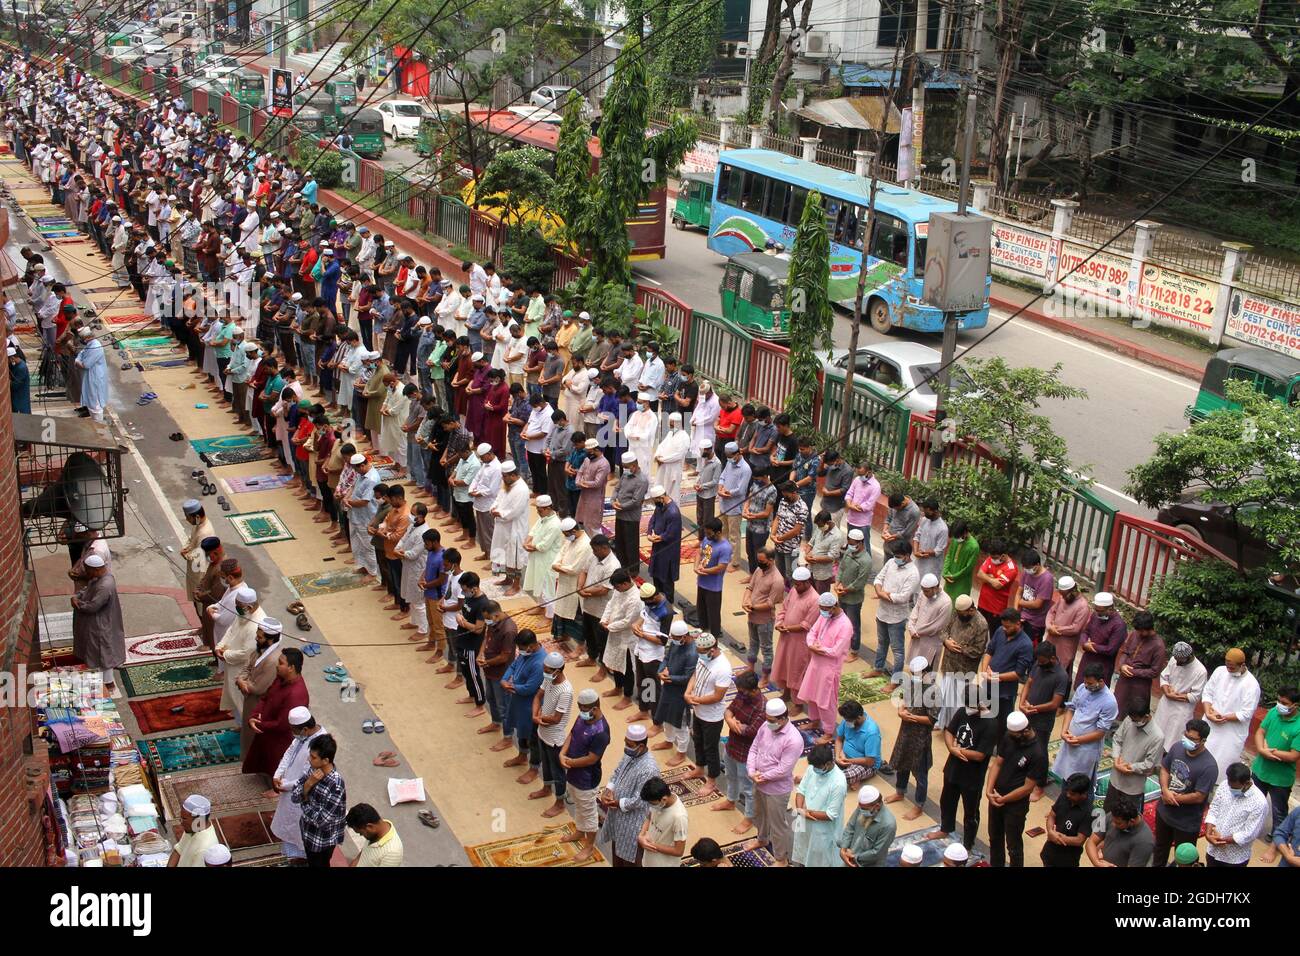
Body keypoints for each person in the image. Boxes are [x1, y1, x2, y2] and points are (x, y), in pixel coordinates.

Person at [930, 697, 998, 852]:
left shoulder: (991, 723)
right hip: (953, 768)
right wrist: (951, 748)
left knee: (971, 812)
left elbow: (980, 755)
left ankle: (968, 844)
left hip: (972, 776)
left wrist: (959, 750)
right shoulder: (962, 711)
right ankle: (945, 828)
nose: (968, 708)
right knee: (946, 801)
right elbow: (949, 731)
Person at [745, 698, 803, 866]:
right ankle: (762, 839)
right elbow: (754, 748)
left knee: (777, 826)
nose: (768, 723)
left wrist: (761, 776)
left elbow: (783, 770)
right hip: (759, 780)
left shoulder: (793, 739)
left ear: (783, 718)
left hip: (777, 789)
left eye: (771, 721)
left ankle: (781, 859)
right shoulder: (765, 726)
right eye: (767, 719)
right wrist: (751, 771)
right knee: (759, 815)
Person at [985, 711, 1047, 867]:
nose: (1010, 736)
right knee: (994, 837)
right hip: (996, 797)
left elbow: (1027, 788)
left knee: (1013, 846)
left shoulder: (1038, 753)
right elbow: (997, 763)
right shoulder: (1009, 736)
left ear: (1025, 731)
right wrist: (989, 790)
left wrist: (1003, 799)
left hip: (1015, 806)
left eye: (1014, 734)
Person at [1153, 718, 1218, 866]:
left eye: (1192, 739)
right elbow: (1164, 768)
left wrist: (1174, 798)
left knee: (1184, 859)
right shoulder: (1177, 748)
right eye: (1186, 736)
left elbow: (1199, 796)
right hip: (1164, 813)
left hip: (1186, 822)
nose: (1187, 740)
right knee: (1159, 849)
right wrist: (1164, 790)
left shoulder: (1209, 766)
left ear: (1203, 740)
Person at [269, 707, 328, 864]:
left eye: (294, 730)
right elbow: (289, 753)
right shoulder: (302, 737)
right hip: (289, 789)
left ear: (305, 728)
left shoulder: (322, 744)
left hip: (304, 794)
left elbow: (310, 776)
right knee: (289, 827)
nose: (292, 733)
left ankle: (301, 859)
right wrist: (277, 774)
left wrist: (284, 785)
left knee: (299, 833)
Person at [597, 724, 661, 866]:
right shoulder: (630, 754)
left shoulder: (649, 769)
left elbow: (640, 800)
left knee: (631, 859)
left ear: (641, 747)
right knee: (617, 854)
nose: (626, 747)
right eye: (626, 742)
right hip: (619, 817)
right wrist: (609, 790)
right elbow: (618, 771)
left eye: (629, 744)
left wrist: (617, 803)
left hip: (634, 823)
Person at [558, 688, 610, 862]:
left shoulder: (601, 731)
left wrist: (569, 762)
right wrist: (562, 754)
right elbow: (572, 735)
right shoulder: (582, 717)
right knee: (579, 806)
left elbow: (591, 759)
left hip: (587, 778)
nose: (581, 713)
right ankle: (580, 832)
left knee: (589, 813)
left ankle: (589, 847)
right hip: (572, 773)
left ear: (594, 709)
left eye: (584, 709)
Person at [243, 648, 310, 777]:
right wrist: (255, 715)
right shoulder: (280, 678)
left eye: (281, 663)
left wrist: (259, 724)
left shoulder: (295, 694)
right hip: (267, 728)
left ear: (291, 668)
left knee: (277, 764)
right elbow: (265, 697)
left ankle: (276, 789)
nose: (277, 665)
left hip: (280, 737)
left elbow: (282, 725)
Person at [713, 669, 765, 835]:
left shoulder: (762, 706)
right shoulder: (742, 696)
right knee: (730, 776)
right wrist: (730, 721)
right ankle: (731, 800)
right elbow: (729, 710)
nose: (739, 693)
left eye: (741, 691)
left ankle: (749, 818)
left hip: (748, 754)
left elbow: (751, 731)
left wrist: (735, 725)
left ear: (753, 689)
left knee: (749, 788)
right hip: (732, 746)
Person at [887, 657, 938, 821]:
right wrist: (902, 711)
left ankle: (919, 805)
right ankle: (900, 791)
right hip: (906, 733)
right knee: (902, 763)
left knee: (920, 772)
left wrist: (912, 718)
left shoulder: (934, 691)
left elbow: (931, 720)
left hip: (920, 737)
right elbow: (903, 700)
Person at [1201, 647, 1262, 783]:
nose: (1229, 670)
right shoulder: (1219, 671)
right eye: (1228, 666)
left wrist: (1224, 717)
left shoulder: (1251, 685)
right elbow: (1207, 692)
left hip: (1231, 733)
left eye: (1232, 668)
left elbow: (1246, 713)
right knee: (1201, 757)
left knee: (1222, 767)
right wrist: (1208, 710)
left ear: (1242, 665)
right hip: (1210, 723)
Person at [684, 631, 733, 797]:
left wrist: (695, 699)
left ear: (712, 650)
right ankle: (699, 768)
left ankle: (712, 780)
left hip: (712, 716)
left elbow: (717, 696)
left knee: (710, 748)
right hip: (698, 710)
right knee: (697, 740)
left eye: (702, 652)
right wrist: (688, 692)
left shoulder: (723, 667)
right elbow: (696, 674)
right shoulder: (703, 656)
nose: (700, 655)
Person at [798, 592, 854, 736]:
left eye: (824, 608)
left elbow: (836, 651)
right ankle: (815, 720)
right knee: (812, 695)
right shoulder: (824, 616)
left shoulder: (845, 625)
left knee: (826, 701)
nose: (822, 611)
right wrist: (811, 644)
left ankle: (828, 732)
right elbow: (812, 632)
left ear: (834, 606)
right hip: (816, 663)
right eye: (821, 608)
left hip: (829, 668)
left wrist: (818, 648)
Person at [1018, 642, 1069, 797]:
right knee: (1024, 743)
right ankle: (1024, 774)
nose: (1039, 664)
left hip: (1043, 720)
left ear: (1052, 658)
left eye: (1042, 661)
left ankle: (1039, 785)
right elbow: (1029, 683)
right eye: (1038, 661)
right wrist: (1022, 701)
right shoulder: (1038, 665)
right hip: (1028, 713)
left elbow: (1055, 703)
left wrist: (1035, 708)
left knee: (1040, 752)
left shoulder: (1061, 676)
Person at [1055, 667, 1119, 788]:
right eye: (1085, 682)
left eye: (1089, 683)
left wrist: (1077, 740)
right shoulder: (1082, 688)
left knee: (1081, 783)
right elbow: (1071, 709)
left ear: (1101, 681)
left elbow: (1100, 732)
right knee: (1066, 777)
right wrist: (1064, 731)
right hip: (1070, 740)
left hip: (1086, 749)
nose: (1086, 685)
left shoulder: (1109, 702)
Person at [70, 553, 125, 691]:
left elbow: (93, 606)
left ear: (95, 569)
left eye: (88, 570)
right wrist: (78, 596)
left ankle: (108, 684)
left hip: (100, 624)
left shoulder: (104, 586)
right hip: (100, 621)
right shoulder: (101, 578)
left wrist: (79, 604)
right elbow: (87, 590)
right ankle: (103, 682)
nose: (87, 573)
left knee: (102, 654)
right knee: (99, 653)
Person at [291, 733, 347, 868]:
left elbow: (321, 820)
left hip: (323, 840)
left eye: (313, 757)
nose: (309, 759)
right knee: (312, 860)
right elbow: (294, 796)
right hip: (308, 831)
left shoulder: (336, 785)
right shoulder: (313, 770)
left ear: (326, 760)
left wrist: (304, 800)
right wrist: (308, 785)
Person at [529, 651, 574, 817]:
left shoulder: (565, 691)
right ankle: (546, 788)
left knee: (557, 771)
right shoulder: (549, 679)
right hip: (543, 732)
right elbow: (538, 696)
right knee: (546, 765)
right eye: (545, 669)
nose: (545, 672)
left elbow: (556, 718)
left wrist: (539, 718)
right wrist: (535, 716)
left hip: (555, 737)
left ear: (558, 670)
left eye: (548, 670)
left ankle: (560, 802)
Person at [1251, 685, 1300, 834]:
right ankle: (1249, 830)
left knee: (1279, 812)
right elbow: (1260, 732)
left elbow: (1294, 755)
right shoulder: (1273, 712)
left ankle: (1278, 838)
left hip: (1280, 779)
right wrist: (1261, 750)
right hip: (1260, 770)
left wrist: (1271, 752)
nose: (1280, 705)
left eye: (1284, 703)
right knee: (1252, 804)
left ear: (1295, 705)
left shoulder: (1298, 726)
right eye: (1279, 701)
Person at [869, 541, 919, 679]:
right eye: (895, 555)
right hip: (882, 612)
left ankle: (895, 680)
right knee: (881, 644)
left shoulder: (913, 573)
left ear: (907, 556)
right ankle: (878, 668)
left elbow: (902, 597)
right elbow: (878, 578)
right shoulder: (891, 562)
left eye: (899, 556)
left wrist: (881, 594)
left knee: (897, 650)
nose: (896, 558)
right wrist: (881, 592)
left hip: (897, 617)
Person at [792, 744, 848, 867]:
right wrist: (800, 809)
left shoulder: (838, 783)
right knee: (804, 851)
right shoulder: (813, 768)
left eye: (817, 766)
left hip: (824, 830)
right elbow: (801, 790)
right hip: (806, 820)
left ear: (828, 763)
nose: (814, 769)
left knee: (820, 860)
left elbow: (830, 814)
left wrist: (806, 813)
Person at [772, 566, 818, 712]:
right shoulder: (793, 590)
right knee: (784, 666)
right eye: (794, 584)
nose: (795, 587)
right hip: (786, 638)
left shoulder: (815, 599)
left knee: (797, 671)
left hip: (800, 642)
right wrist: (779, 623)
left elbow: (806, 625)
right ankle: (786, 694)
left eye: (798, 584)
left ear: (807, 582)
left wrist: (788, 628)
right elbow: (784, 608)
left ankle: (798, 703)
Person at [1204, 762, 1269, 867]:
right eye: (1230, 785)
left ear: (1247, 783)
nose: (1230, 789)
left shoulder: (1259, 803)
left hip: (1234, 859)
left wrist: (1221, 840)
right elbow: (1214, 808)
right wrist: (1208, 834)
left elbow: (1249, 833)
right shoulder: (1225, 785)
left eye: (1234, 787)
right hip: (1213, 851)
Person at [981, 610, 1034, 737]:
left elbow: (1018, 673)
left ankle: (1000, 751)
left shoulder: (1026, 645)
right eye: (1003, 625)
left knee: (1002, 725)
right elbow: (989, 651)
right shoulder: (1000, 631)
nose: (1005, 629)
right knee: (984, 719)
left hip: (1004, 693)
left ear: (1018, 624)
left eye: (1008, 627)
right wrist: (984, 671)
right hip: (988, 686)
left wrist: (996, 677)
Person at [652, 621, 697, 767]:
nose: (674, 640)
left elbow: (688, 677)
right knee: (666, 716)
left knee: (680, 723)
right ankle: (668, 741)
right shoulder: (675, 643)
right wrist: (661, 670)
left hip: (681, 692)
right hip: (669, 687)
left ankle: (681, 753)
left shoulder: (692, 653)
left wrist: (670, 678)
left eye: (677, 638)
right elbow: (666, 658)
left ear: (685, 636)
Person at [1107, 700, 1163, 813]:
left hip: (1132, 787)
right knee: (1107, 813)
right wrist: (1116, 758)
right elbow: (1117, 739)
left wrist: (1130, 768)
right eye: (1131, 719)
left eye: (1135, 720)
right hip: (1115, 779)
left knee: (1127, 819)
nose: (1133, 722)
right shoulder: (1130, 720)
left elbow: (1149, 764)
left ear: (1146, 716)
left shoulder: (1158, 737)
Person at [1153, 641, 1208, 751]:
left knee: (1173, 737)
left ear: (1190, 656)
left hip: (1181, 710)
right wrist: (1167, 692)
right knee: (1157, 731)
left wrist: (1176, 696)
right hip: (1165, 704)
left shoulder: (1200, 671)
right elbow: (1164, 677)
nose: (1177, 663)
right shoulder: (1174, 660)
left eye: (1180, 661)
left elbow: (1195, 696)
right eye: (1176, 659)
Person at [1114, 610, 1167, 717]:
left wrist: (1134, 672)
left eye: (1141, 631)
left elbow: (1154, 672)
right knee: (1116, 709)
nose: (1139, 633)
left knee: (1135, 714)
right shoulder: (1134, 634)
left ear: (1149, 628)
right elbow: (1125, 651)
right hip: (1124, 679)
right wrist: (1122, 665)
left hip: (1140, 685)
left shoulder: (1159, 646)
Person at [743, 545, 784, 680]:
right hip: (752, 615)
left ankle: (766, 676)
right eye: (758, 560)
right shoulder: (758, 570)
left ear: (771, 560)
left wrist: (753, 607)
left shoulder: (777, 580)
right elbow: (750, 587)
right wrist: (745, 601)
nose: (760, 563)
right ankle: (750, 669)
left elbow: (769, 604)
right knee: (753, 643)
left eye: (762, 561)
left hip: (765, 620)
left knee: (766, 648)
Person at [489, 460, 530, 596]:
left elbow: (515, 511)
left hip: (515, 528)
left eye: (505, 476)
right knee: (503, 552)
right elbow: (499, 498)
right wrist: (494, 507)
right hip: (502, 525)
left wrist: (500, 513)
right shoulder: (507, 484)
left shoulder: (522, 489)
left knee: (515, 555)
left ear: (513, 475)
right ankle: (507, 578)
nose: (503, 479)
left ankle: (516, 585)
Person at [1040, 773, 1095, 867]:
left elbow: (1079, 840)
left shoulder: (1089, 812)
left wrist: (1058, 838)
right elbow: (1052, 815)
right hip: (1050, 849)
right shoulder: (1064, 796)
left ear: (1083, 794)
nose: (1068, 795)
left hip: (1068, 858)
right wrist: (1050, 831)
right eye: (1067, 791)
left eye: (1072, 794)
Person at [1085, 795, 1155, 868]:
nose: (1113, 824)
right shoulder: (1116, 816)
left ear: (1131, 821)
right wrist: (1097, 863)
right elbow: (1091, 842)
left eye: (1118, 823)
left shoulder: (1144, 841)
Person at [1075, 591, 1127, 688]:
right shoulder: (1095, 616)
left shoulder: (1119, 625)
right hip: (1087, 660)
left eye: (1100, 611)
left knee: (1095, 692)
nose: (1098, 613)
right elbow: (1085, 632)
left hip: (1102, 665)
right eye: (1096, 610)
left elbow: (1110, 649)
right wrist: (1085, 643)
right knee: (1080, 688)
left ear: (1110, 608)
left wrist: (1092, 647)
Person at [1043, 575, 1090, 680]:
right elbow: (1051, 612)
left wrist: (1056, 629)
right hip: (1051, 640)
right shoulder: (1062, 598)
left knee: (1060, 674)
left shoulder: (1083, 606)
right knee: (1045, 668)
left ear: (1072, 591)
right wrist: (1049, 626)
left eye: (1064, 595)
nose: (1063, 597)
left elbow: (1075, 628)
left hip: (1065, 647)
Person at [834, 528, 872, 657]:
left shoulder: (866, 561)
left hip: (853, 599)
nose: (851, 546)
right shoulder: (848, 552)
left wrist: (845, 589)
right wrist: (837, 582)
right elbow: (841, 567)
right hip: (842, 594)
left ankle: (854, 650)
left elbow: (859, 583)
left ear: (861, 543)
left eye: (853, 543)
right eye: (849, 542)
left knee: (853, 625)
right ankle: (843, 644)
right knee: (841, 621)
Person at [837, 785, 895, 868]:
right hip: (850, 856)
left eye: (864, 808)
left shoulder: (888, 825)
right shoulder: (863, 807)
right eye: (860, 807)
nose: (861, 810)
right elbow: (851, 826)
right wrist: (843, 848)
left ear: (877, 806)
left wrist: (854, 857)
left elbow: (876, 853)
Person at [522, 494, 563, 609]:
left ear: (548, 508)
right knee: (538, 584)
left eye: (540, 510)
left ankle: (550, 616)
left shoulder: (555, 524)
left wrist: (529, 547)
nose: (538, 513)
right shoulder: (542, 518)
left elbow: (544, 546)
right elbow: (533, 531)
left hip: (547, 561)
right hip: (538, 558)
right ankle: (540, 607)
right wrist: (526, 542)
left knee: (546, 588)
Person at [637, 777, 689, 867]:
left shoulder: (679, 817)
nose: (651, 806)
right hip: (648, 859)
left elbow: (678, 851)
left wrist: (651, 845)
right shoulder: (659, 803)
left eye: (652, 803)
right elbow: (649, 817)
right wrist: (641, 835)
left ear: (664, 799)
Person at [905, 573, 952, 670]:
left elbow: (937, 626)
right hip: (917, 638)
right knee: (914, 669)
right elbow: (916, 610)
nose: (924, 593)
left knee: (927, 674)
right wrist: (911, 627)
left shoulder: (946, 602)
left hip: (931, 643)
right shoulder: (923, 594)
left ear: (935, 588)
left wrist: (917, 631)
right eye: (923, 590)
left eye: (927, 591)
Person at [611, 452, 648, 575]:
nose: (625, 469)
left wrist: (620, 506)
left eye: (627, 467)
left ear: (634, 465)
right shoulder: (626, 474)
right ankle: (622, 566)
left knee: (631, 545)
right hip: (620, 514)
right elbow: (617, 488)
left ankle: (633, 570)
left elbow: (636, 501)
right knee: (620, 543)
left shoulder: (641, 480)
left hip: (631, 517)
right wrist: (613, 500)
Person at [694, 518, 730, 640]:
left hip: (714, 586)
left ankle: (714, 637)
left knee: (713, 614)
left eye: (710, 533)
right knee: (701, 611)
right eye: (706, 533)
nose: (707, 536)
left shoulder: (725, 547)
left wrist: (704, 571)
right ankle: (703, 632)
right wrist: (696, 566)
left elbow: (721, 567)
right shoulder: (706, 539)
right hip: (702, 582)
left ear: (718, 532)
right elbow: (700, 552)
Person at [645, 484, 681, 601]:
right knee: (656, 574)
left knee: (666, 577)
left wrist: (659, 538)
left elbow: (672, 533)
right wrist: (649, 533)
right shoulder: (660, 506)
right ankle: (657, 598)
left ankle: (668, 602)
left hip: (668, 549)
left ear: (661, 497)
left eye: (655, 500)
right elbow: (653, 519)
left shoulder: (673, 512)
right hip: (658, 546)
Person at [973, 541, 1017, 634]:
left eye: (995, 558)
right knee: (979, 631)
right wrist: (992, 579)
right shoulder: (991, 557)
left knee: (994, 634)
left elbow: (997, 586)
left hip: (996, 609)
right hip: (982, 603)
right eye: (991, 557)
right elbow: (979, 574)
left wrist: (987, 578)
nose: (992, 559)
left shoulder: (1011, 569)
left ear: (1003, 556)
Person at [1012, 549, 1053, 643]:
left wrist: (1021, 602)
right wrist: (1016, 611)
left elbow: (1037, 604)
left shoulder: (1046, 579)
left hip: (1035, 623)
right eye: (1025, 567)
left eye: (1029, 567)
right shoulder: (1026, 572)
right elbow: (1019, 592)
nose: (1026, 570)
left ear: (1037, 565)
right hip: (1022, 616)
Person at [167, 795, 218, 867]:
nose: (181, 822)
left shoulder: (204, 849)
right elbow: (178, 850)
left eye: (184, 819)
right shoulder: (193, 828)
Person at [941, 520, 979, 601]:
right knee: (945, 603)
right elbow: (949, 555)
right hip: (949, 578)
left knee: (958, 606)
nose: (956, 539)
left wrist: (954, 576)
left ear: (965, 532)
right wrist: (945, 572)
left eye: (958, 536)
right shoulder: (956, 539)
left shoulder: (974, 547)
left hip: (962, 583)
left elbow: (968, 568)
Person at [912, 498, 948, 580]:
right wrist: (915, 551)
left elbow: (938, 550)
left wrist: (923, 552)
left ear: (935, 511)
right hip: (919, 562)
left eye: (926, 512)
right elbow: (917, 536)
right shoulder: (924, 520)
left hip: (931, 566)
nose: (924, 514)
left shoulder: (943, 529)